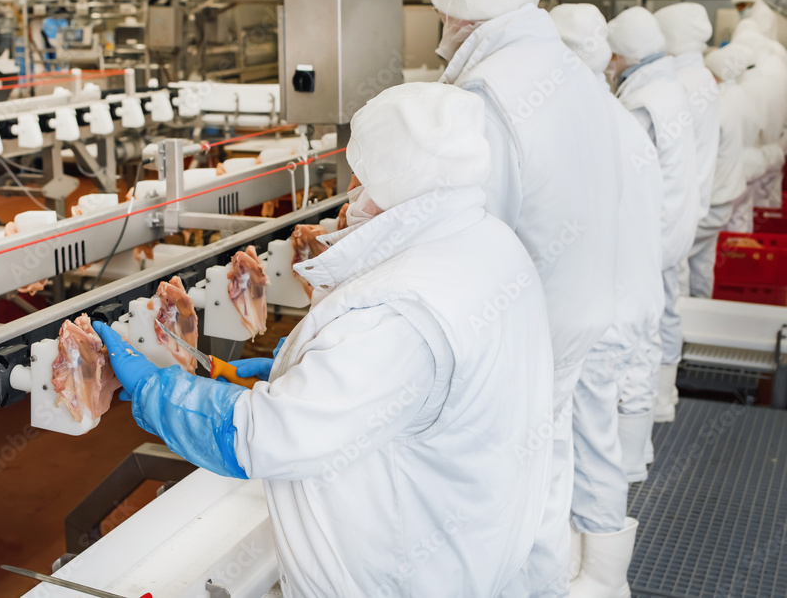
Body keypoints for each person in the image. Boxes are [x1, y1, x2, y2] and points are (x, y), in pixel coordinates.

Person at [95, 82, 555, 597]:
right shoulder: (487, 241)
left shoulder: (396, 314)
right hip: (472, 540)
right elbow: (428, 388)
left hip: (404, 572)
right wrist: (294, 372)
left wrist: (159, 393)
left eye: (362, 177)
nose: (354, 193)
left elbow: (265, 437)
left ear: (394, 180)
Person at [431, 0, 622, 595]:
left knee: (492, 499)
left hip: (525, 326)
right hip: (575, 310)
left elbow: (470, 237)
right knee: (544, 475)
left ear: (455, 15)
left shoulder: (489, 92)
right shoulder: (566, 71)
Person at [551, 3, 662, 596]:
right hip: (630, 295)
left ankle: (594, 576)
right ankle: (593, 568)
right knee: (596, 437)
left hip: (599, 311)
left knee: (586, 439)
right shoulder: (615, 117)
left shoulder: (580, 125)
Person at [607, 7, 698, 432]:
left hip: (653, 234)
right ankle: (654, 413)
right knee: (657, 320)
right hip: (672, 225)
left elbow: (625, 177)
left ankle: (635, 440)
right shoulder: (667, 87)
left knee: (638, 336)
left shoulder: (643, 103)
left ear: (624, 54)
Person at [654, 3, 721, 296]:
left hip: (676, 204)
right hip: (695, 198)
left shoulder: (680, 83)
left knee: (671, 288)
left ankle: (678, 341)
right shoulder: (701, 76)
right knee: (691, 274)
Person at [699, 43, 754, 290]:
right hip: (730, 189)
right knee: (704, 259)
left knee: (678, 258)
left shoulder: (716, 104)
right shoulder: (734, 98)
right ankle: (702, 303)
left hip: (717, 196)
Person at [732, 20, 787, 210]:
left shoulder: (751, 84)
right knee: (768, 209)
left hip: (756, 158)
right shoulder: (776, 69)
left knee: (747, 216)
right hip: (775, 152)